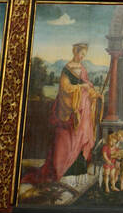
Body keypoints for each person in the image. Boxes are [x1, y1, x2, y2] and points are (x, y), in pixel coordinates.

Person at [40, 42, 104, 182]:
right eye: (81, 54)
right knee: (67, 139)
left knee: (81, 138)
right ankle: (63, 170)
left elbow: (88, 87)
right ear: (75, 52)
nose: (82, 57)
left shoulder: (83, 69)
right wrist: (81, 87)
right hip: (70, 111)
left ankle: (78, 170)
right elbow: (65, 88)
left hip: (84, 112)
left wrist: (95, 94)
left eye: (84, 55)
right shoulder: (67, 69)